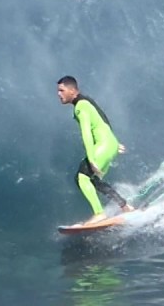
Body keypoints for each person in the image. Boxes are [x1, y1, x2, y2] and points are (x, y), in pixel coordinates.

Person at [57, 75, 134, 224]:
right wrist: (114, 142)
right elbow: (102, 118)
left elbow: (86, 133)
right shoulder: (87, 101)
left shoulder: (80, 106)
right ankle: (125, 206)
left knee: (82, 177)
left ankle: (99, 214)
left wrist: (91, 159)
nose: (59, 94)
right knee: (94, 181)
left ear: (72, 90)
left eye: (62, 90)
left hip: (103, 145)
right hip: (109, 144)